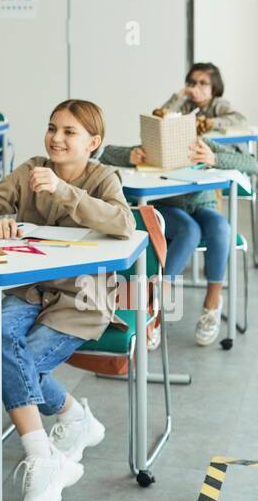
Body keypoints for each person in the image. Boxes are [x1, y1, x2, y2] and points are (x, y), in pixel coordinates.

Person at [0, 99, 135, 501]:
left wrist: (62, 190)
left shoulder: (103, 177)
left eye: (69, 132)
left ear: (93, 142)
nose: (56, 138)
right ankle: (60, 436)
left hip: (81, 299)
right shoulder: (29, 170)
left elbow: (123, 223)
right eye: (52, 128)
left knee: (18, 364)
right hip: (32, 290)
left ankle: (52, 446)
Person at [100, 134, 258, 346]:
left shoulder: (203, 144)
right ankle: (155, 306)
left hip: (203, 208)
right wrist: (131, 156)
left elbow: (252, 163)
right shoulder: (156, 145)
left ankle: (212, 303)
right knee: (190, 231)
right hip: (168, 209)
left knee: (221, 227)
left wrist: (214, 159)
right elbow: (106, 152)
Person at [158, 62, 246, 133]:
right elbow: (161, 117)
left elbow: (241, 119)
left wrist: (210, 122)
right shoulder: (188, 105)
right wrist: (181, 93)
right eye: (192, 83)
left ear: (214, 86)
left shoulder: (218, 103)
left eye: (203, 83)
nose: (195, 88)